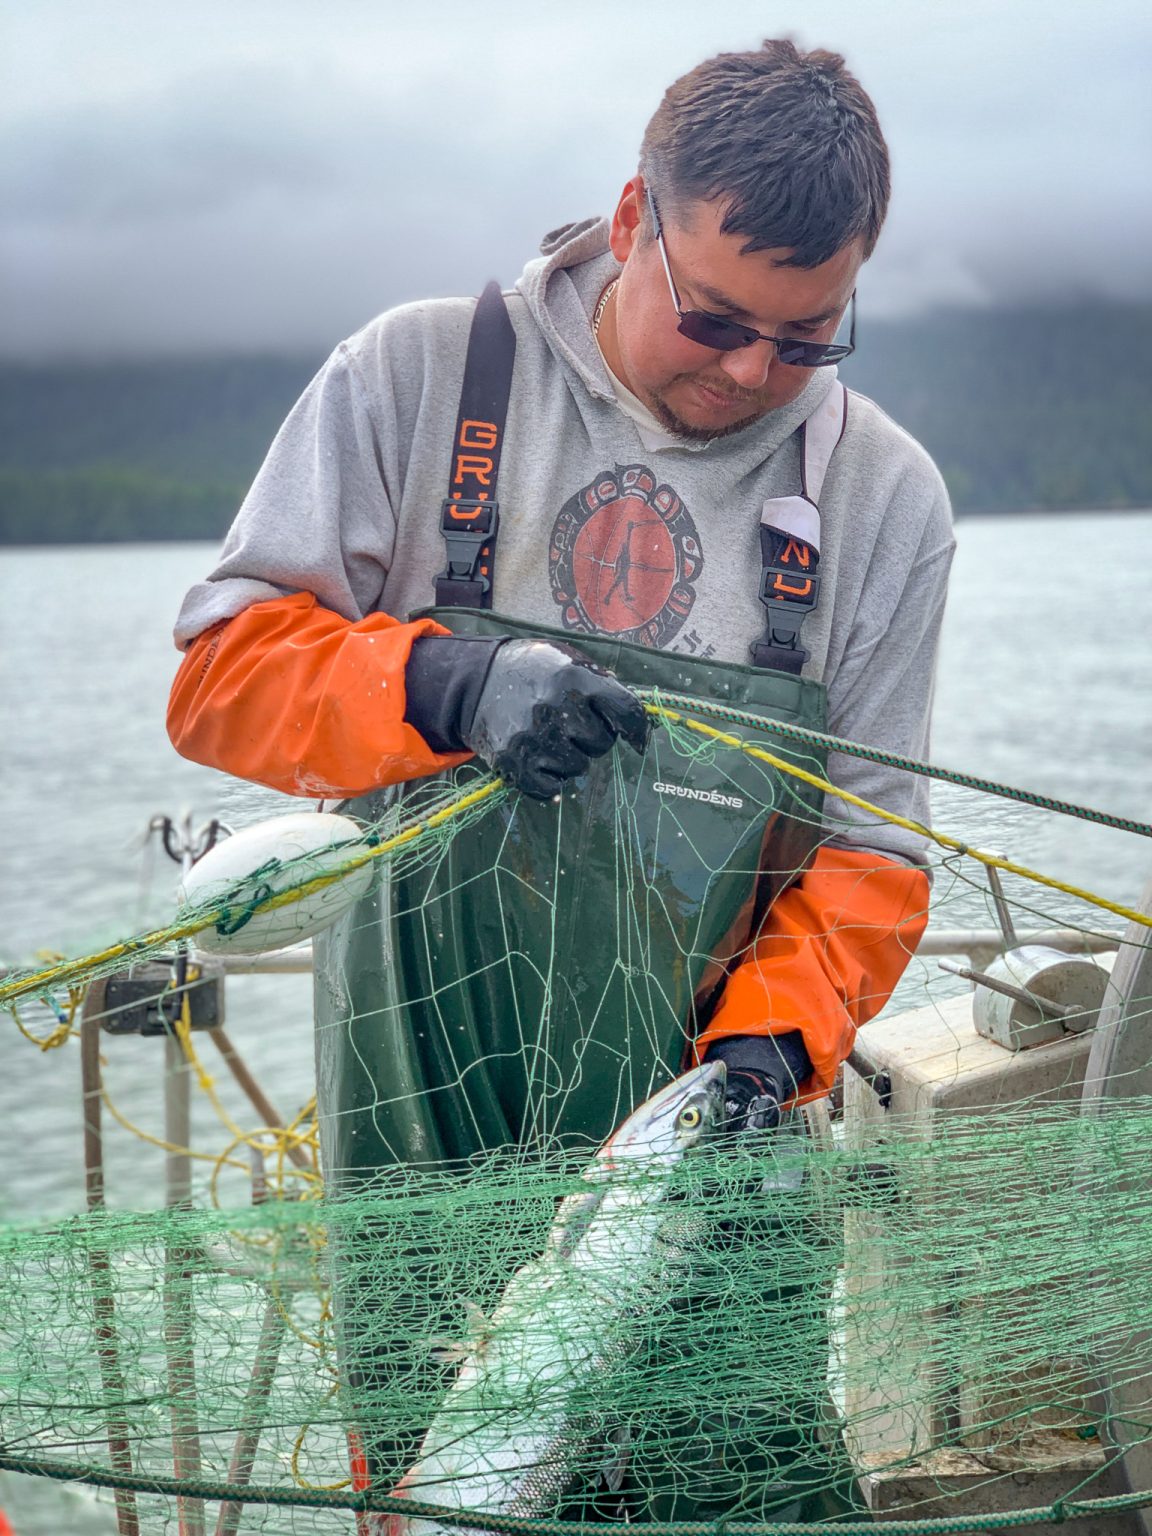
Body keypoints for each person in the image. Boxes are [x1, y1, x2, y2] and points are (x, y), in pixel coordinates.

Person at [168, 37, 952, 1517]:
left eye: (807, 337)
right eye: (716, 318)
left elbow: (872, 853)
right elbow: (219, 679)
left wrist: (769, 1052)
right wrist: (441, 683)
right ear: (631, 218)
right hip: (421, 1115)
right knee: (442, 1479)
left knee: (736, 1477)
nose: (748, 370)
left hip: (704, 1131)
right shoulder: (414, 376)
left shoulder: (884, 496)